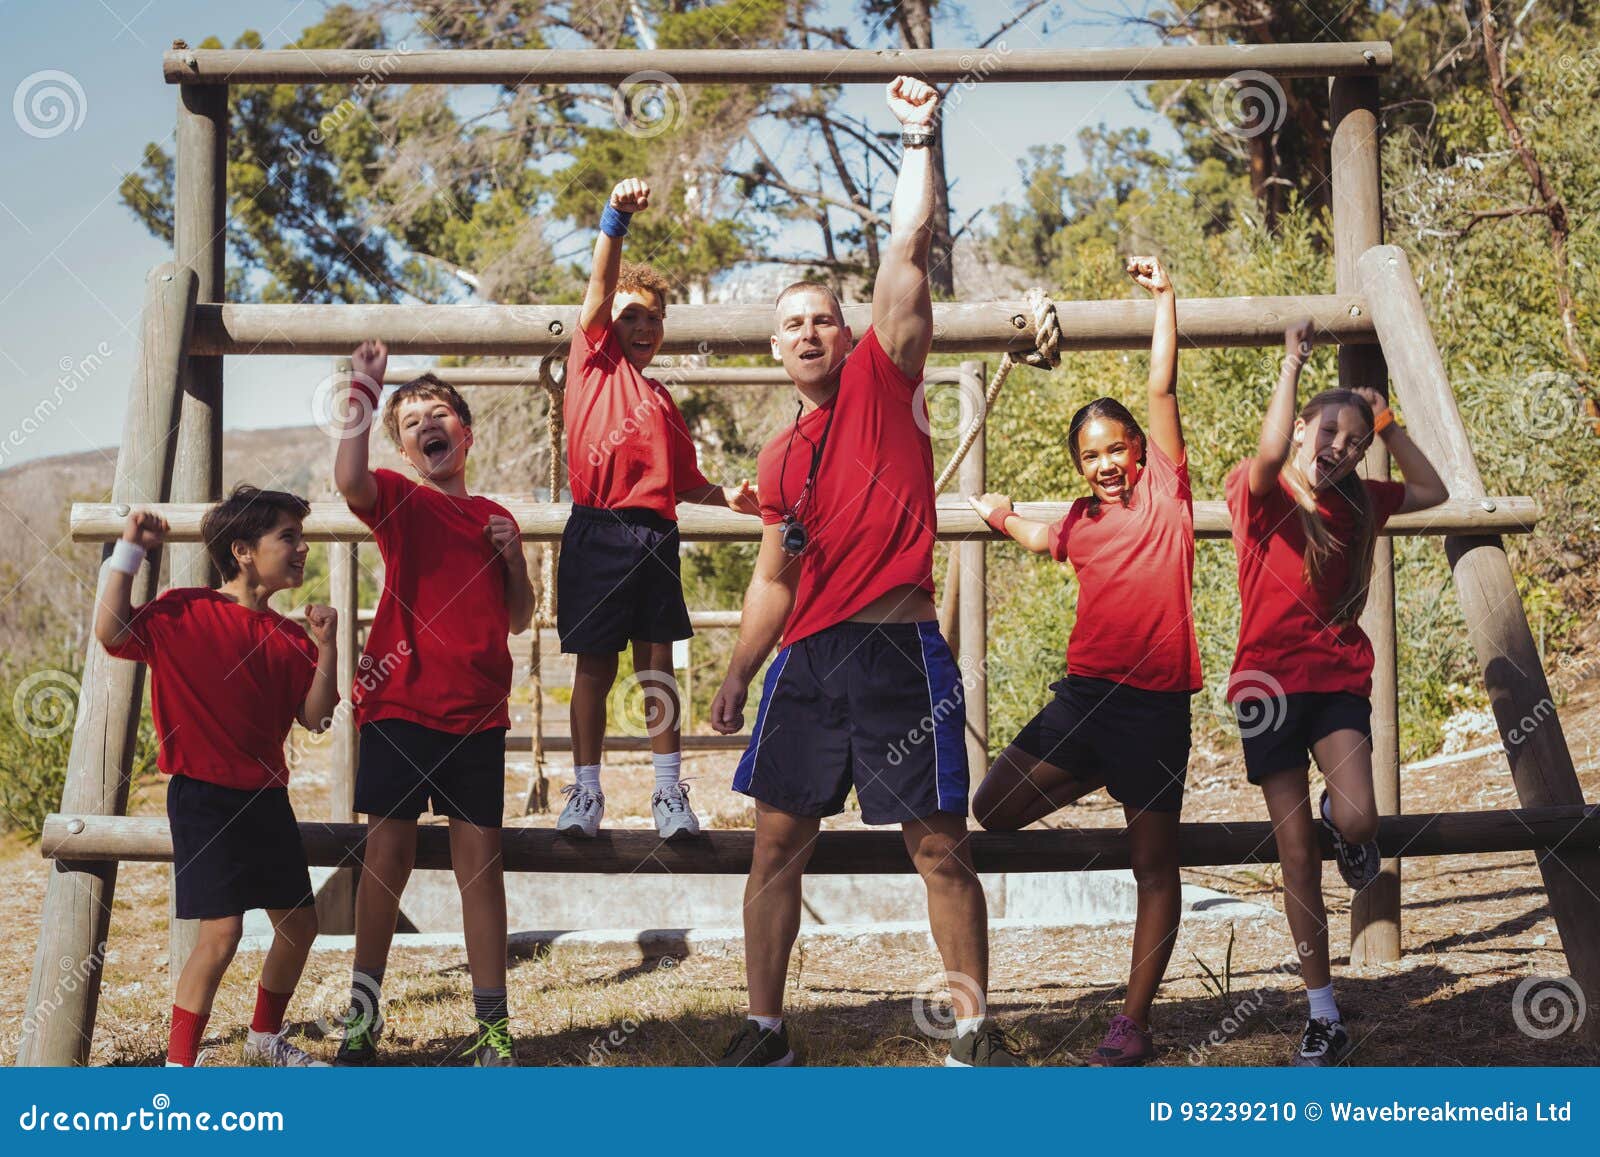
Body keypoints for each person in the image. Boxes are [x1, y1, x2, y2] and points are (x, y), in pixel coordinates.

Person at [709, 76, 1021, 1068]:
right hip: (806, 664)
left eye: (821, 319)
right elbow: (772, 578)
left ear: (848, 334)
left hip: (897, 654)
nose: (807, 331)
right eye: (789, 323)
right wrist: (736, 670)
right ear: (772, 347)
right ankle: (766, 1027)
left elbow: (903, 249)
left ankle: (970, 1026)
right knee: (773, 847)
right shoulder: (776, 460)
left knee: (938, 848)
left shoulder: (884, 381)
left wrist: (918, 134)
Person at [966, 256, 1197, 1066]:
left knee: (1153, 868)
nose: (1104, 463)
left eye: (1116, 448)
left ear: (1140, 450)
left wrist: (1165, 299)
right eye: (1090, 455)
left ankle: (1131, 1021)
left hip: (1156, 709)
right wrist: (998, 514)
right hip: (1084, 702)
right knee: (991, 808)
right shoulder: (1076, 520)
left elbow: (1162, 387)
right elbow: (1036, 535)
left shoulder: (1169, 494)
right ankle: (1101, 774)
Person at [1225, 319, 1447, 1066]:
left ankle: (1340, 822)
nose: (1340, 449)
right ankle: (1322, 1009)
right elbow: (1266, 451)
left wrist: (1385, 418)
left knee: (1357, 817)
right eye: (1329, 434)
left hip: (1336, 678)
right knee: (1295, 856)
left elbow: (1432, 487)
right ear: (1300, 430)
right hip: (1265, 685)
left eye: (1355, 443)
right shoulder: (1257, 491)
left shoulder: (1360, 501)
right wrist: (1293, 365)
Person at [333, 342, 535, 1066]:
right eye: (410, 420)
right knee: (386, 853)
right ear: (404, 448)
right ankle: (361, 1016)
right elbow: (348, 476)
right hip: (398, 705)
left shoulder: (492, 514)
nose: (426, 424)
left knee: (480, 863)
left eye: (437, 412)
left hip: (478, 713)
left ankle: (493, 1031)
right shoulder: (399, 497)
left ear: (466, 430)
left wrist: (514, 558)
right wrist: (362, 392)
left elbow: (518, 616)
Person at [96, 487, 339, 1067]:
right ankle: (180, 1068)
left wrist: (328, 648)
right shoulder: (181, 611)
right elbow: (110, 632)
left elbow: (317, 717)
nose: (303, 549)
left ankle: (264, 1039)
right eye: (289, 537)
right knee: (222, 934)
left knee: (300, 925)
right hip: (203, 798)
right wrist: (129, 551)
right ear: (244, 550)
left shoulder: (289, 639)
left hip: (266, 799)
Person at [557, 175, 760, 841]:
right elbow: (599, 287)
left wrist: (735, 498)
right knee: (594, 664)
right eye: (630, 315)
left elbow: (687, 483)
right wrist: (615, 216)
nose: (641, 326)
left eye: (653, 317)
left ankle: (668, 791)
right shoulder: (591, 362)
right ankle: (585, 793)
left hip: (655, 536)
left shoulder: (661, 399)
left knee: (656, 664)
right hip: (597, 529)